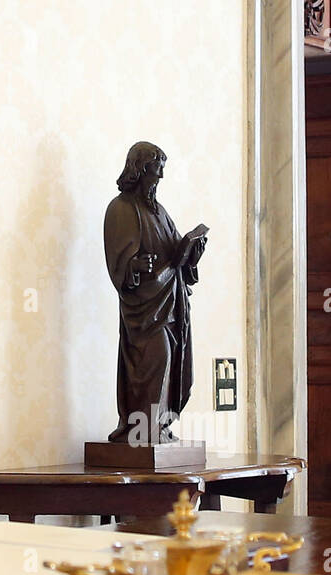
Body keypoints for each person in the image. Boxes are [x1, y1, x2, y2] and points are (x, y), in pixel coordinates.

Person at [104, 142, 207, 444]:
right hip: (145, 310)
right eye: (155, 167)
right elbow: (119, 263)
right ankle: (140, 430)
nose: (160, 176)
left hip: (171, 303)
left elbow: (176, 253)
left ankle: (159, 427)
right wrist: (134, 265)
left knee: (172, 362)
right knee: (155, 357)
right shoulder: (121, 208)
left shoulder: (160, 212)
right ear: (139, 169)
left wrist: (192, 253)